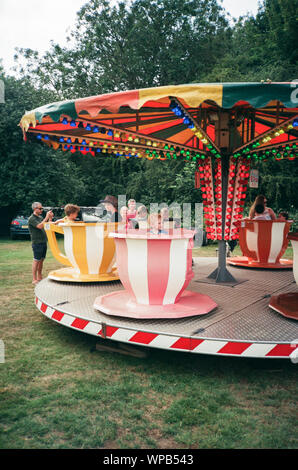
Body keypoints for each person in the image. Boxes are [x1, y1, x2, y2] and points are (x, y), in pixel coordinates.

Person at [28, 202, 53, 285]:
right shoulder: (32, 218)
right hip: (37, 243)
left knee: (41, 261)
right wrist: (46, 217)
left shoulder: (40, 217)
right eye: (40, 208)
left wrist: (50, 219)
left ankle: (39, 277)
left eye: (42, 208)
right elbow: (39, 226)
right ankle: (34, 279)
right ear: (35, 209)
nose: (41, 209)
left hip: (43, 242)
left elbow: (46, 226)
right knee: (36, 261)